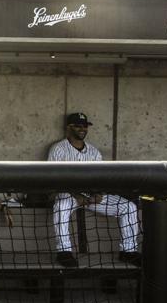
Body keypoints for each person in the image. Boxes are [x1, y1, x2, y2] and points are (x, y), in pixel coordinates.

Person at [47, 113, 140, 268]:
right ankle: (64, 252)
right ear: (69, 127)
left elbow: (100, 179)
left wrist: (99, 194)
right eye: (78, 125)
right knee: (61, 206)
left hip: (91, 197)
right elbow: (53, 179)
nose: (82, 129)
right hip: (69, 195)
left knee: (128, 207)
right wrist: (77, 195)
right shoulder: (58, 149)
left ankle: (128, 251)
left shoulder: (94, 152)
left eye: (85, 126)